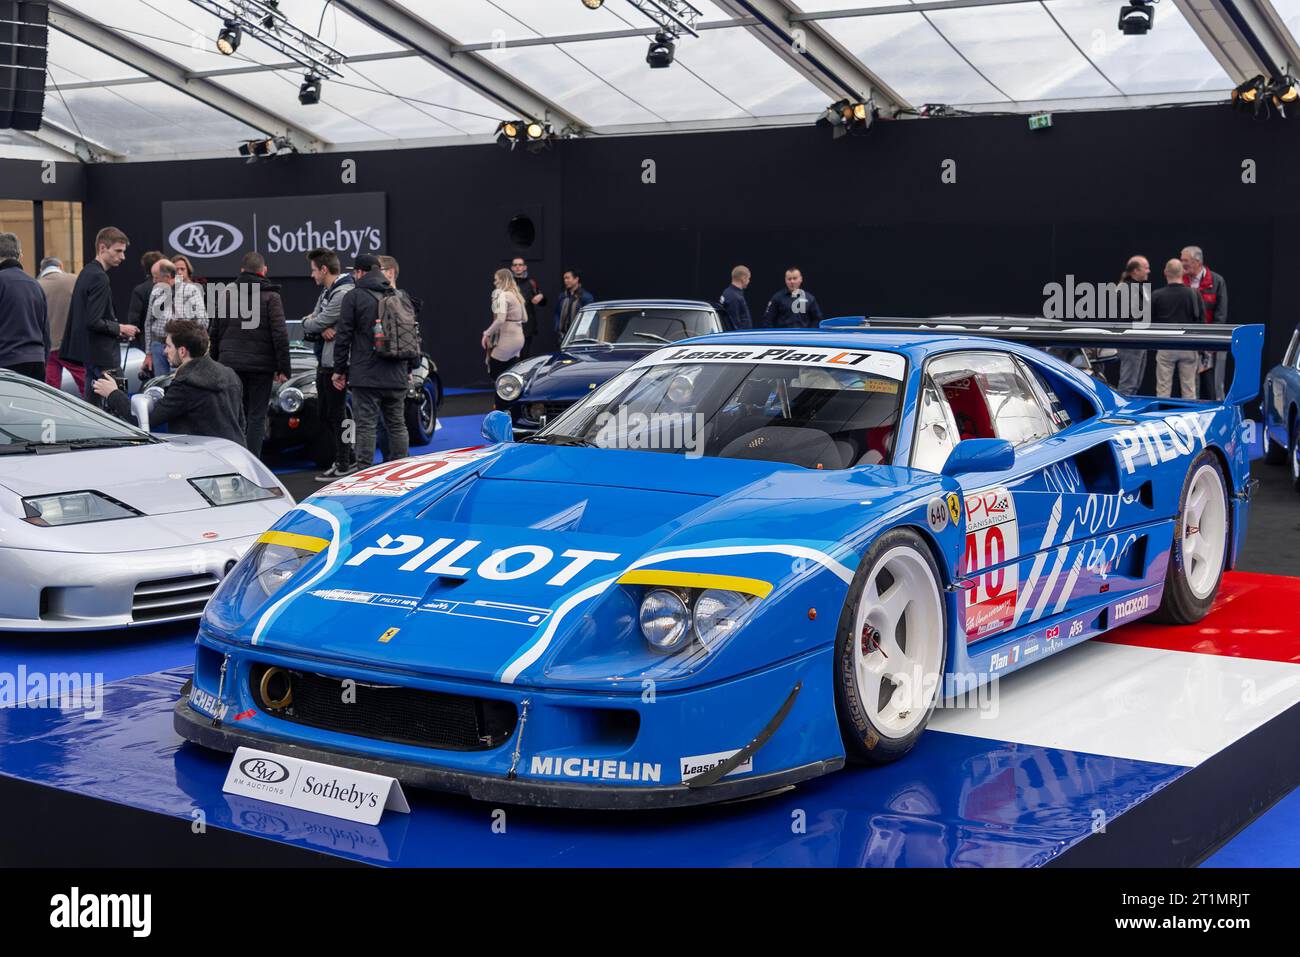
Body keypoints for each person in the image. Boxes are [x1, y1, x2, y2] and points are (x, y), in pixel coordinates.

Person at [93, 319, 246, 445]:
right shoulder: (229, 374)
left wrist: (113, 393)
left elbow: (144, 419)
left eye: (168, 346)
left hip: (203, 461)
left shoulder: (187, 384)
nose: (165, 351)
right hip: (235, 454)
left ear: (182, 351)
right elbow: (240, 423)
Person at [333, 254, 417, 469]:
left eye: (355, 272)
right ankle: (401, 471)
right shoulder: (399, 295)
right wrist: (409, 367)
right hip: (397, 373)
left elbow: (343, 336)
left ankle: (364, 473)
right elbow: (411, 336)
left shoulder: (354, 296)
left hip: (366, 376)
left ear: (360, 272)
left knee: (366, 426)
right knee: (397, 425)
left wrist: (339, 369)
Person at [209, 251, 290, 456]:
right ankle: (253, 462)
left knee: (235, 414)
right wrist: (283, 368)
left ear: (242, 270)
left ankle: (235, 460)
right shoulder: (272, 297)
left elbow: (214, 332)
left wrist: (214, 363)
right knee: (256, 416)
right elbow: (280, 335)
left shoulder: (226, 294)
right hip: (261, 368)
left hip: (230, 365)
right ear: (264, 271)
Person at [61, 226, 138, 400]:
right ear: (102, 248)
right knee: (119, 406)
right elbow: (93, 320)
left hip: (92, 356)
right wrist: (121, 328)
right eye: (118, 251)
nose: (122, 257)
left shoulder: (87, 272)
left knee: (94, 409)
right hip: (104, 358)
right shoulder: (99, 277)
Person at [302, 248, 356, 481]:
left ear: (324, 269)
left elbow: (317, 321)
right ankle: (346, 456)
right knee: (327, 413)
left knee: (339, 414)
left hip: (338, 364)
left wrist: (318, 323)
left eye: (313, 270)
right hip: (324, 362)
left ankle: (345, 461)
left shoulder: (343, 293)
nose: (312, 275)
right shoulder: (327, 292)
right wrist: (319, 325)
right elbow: (310, 322)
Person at [1180, 245, 1229, 400]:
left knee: (1211, 385)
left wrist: (1211, 340)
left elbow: (1221, 314)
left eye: (1185, 261)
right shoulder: (1180, 280)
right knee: (1188, 386)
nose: (1182, 264)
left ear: (1197, 262)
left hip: (1209, 343)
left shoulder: (1217, 281)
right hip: (1186, 342)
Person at [1152, 259, 1205, 399]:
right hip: (1188, 344)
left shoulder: (1157, 295)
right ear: (1182, 272)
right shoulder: (1193, 294)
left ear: (1165, 272)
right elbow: (1201, 321)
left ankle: (1161, 418)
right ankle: (1191, 418)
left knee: (1163, 389)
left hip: (1165, 345)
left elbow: (1150, 322)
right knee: (1189, 389)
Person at [144, 258, 206, 377]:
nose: (153, 280)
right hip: (158, 346)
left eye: (156, 277)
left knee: (180, 381)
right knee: (160, 384)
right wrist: (148, 353)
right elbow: (148, 322)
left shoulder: (191, 290)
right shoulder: (155, 291)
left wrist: (185, 337)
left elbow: (202, 321)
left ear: (167, 277)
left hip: (180, 345)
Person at [0, 233, 50, 381]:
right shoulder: (35, 284)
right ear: (20, 255)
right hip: (36, 361)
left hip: (6, 363)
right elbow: (45, 332)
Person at [483, 268, 526, 410]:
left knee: (496, 371)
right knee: (510, 372)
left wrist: (487, 333)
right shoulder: (517, 295)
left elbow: (500, 319)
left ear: (502, 280)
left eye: (496, 279)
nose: (495, 283)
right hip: (519, 338)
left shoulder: (503, 295)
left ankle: (500, 407)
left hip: (507, 339)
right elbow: (525, 318)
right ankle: (511, 406)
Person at [38, 256, 80, 390]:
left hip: (47, 347)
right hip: (71, 345)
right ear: (60, 266)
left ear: (41, 269)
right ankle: (93, 410)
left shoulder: (36, 285)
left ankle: (53, 412)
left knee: (52, 390)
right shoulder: (74, 280)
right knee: (85, 384)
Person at [1115, 255, 1151, 395]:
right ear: (1136, 271)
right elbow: (1134, 314)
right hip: (1131, 341)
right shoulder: (1126, 289)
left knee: (1134, 383)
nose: (1148, 271)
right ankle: (1122, 414)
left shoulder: (1139, 288)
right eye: (1146, 268)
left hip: (1139, 339)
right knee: (1128, 383)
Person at [510, 256, 545, 357]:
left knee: (524, 356)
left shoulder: (531, 283)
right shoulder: (507, 284)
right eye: (515, 265)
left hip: (526, 328)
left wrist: (541, 297)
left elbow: (541, 303)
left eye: (520, 265)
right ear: (512, 268)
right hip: (510, 328)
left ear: (525, 267)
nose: (518, 267)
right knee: (511, 358)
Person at [126, 251, 163, 335]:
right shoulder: (171, 287)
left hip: (145, 340)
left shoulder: (140, 290)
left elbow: (134, 320)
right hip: (168, 341)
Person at [554, 268, 593, 340]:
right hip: (564, 335)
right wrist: (557, 327)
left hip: (579, 335)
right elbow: (557, 313)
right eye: (564, 279)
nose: (565, 281)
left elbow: (588, 317)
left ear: (576, 279)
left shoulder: (586, 297)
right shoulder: (563, 296)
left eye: (568, 278)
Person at [718, 265, 752, 331]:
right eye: (748, 278)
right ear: (743, 278)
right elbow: (734, 323)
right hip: (738, 337)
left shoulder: (729, 292)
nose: (749, 281)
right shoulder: (734, 297)